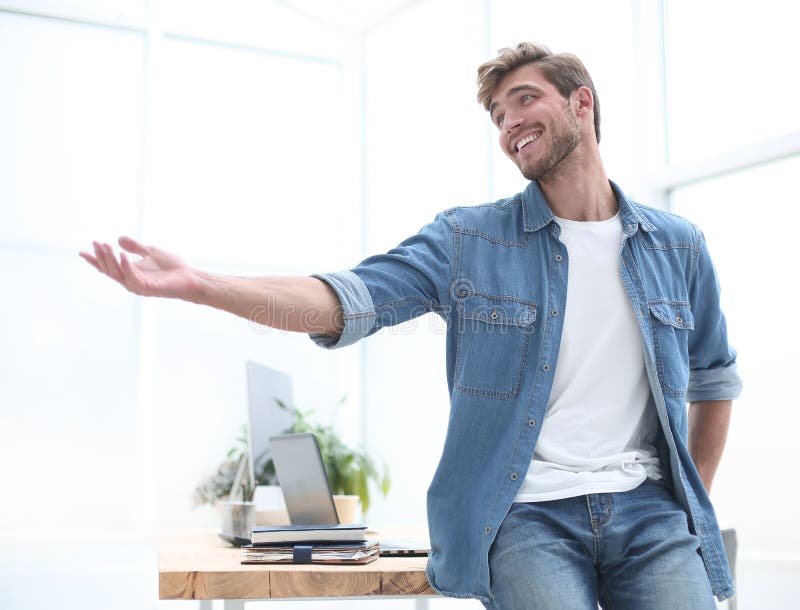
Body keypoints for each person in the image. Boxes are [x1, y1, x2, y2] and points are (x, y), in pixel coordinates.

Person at [81, 42, 741, 609]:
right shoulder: (469, 239)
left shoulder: (678, 246)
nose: (509, 122)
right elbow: (344, 299)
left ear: (582, 104)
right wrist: (201, 286)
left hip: (651, 513)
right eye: (498, 115)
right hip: (529, 516)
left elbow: (714, 381)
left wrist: (689, 502)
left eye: (524, 100)